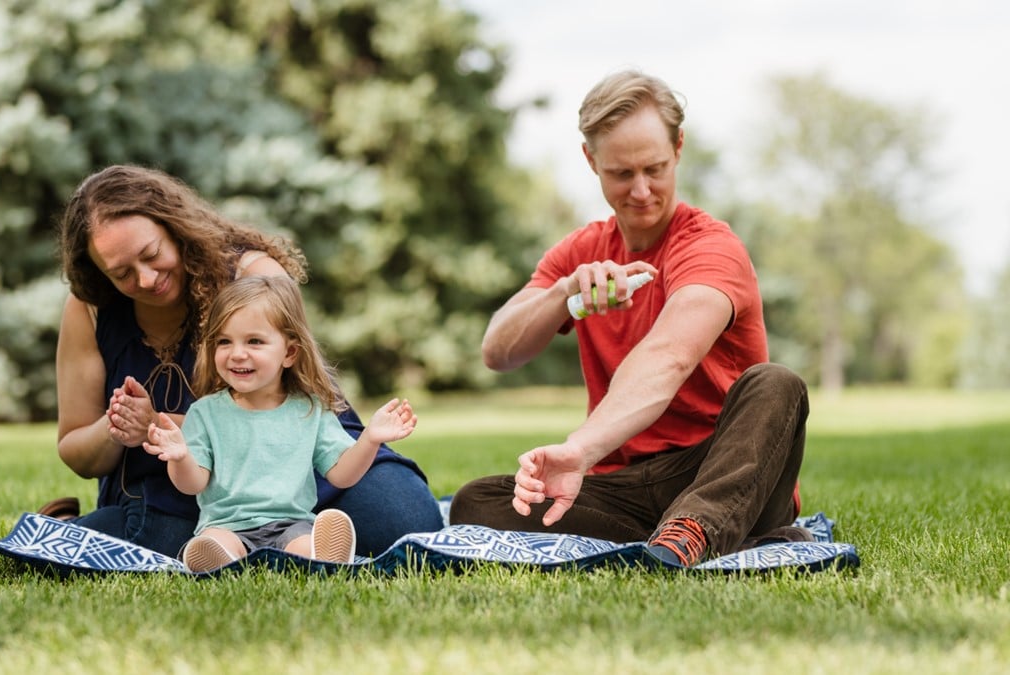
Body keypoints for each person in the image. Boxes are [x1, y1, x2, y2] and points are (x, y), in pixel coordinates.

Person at [447, 70, 811, 568]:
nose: (641, 190)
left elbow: (669, 358)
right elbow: (498, 351)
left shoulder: (709, 248)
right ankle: (685, 539)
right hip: (623, 487)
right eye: (621, 174)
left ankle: (696, 529)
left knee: (776, 384)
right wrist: (565, 291)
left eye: (654, 169)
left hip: (722, 468)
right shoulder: (582, 252)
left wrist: (578, 450)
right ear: (590, 160)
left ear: (678, 148)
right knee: (475, 502)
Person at [45, 164, 443, 559]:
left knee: (403, 521)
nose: (146, 279)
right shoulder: (90, 309)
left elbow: (285, 405)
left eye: (151, 254)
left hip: (305, 454)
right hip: (195, 484)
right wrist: (119, 426)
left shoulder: (256, 277)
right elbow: (76, 449)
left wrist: (155, 422)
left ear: (175, 228)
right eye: (122, 274)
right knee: (170, 537)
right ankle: (74, 530)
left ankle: (303, 535)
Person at [140, 275, 418, 572]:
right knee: (215, 542)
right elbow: (192, 483)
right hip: (227, 525)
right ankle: (217, 560)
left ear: (289, 352)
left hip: (292, 524)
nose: (237, 354)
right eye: (224, 342)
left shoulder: (310, 410)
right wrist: (180, 457)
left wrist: (370, 439)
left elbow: (341, 475)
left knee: (303, 546)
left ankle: (321, 555)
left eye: (254, 341)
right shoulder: (205, 413)